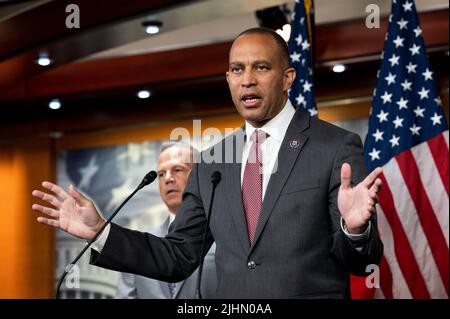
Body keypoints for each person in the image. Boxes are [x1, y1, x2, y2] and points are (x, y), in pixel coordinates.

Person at [32, 27, 384, 299]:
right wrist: (101, 232)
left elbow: (359, 262)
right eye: (237, 69)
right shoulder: (212, 161)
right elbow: (178, 256)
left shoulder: (335, 146)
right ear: (228, 79)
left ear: (288, 78)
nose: (247, 79)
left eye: (261, 67)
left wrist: (354, 229)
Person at [115, 142, 216, 299]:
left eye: (177, 169)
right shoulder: (142, 245)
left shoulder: (222, 236)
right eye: (161, 174)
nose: (168, 178)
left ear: (199, 175)